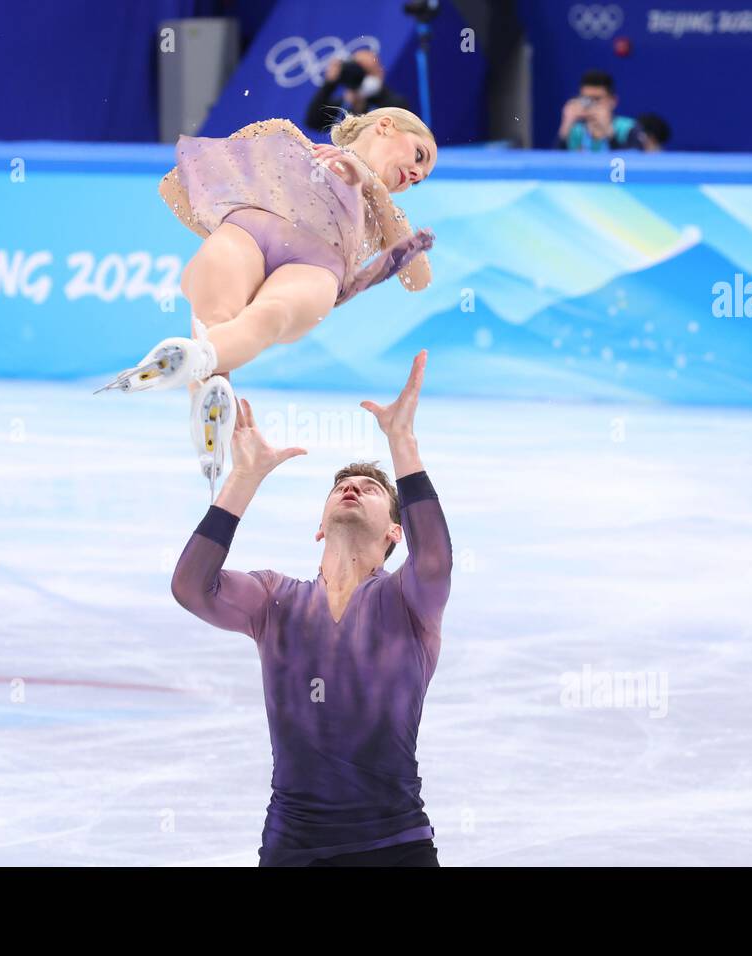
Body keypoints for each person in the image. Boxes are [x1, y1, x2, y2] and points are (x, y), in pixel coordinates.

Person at [170, 351, 451, 867]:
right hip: (293, 849)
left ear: (396, 532)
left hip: (396, 845)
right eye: (342, 487)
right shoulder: (275, 600)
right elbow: (191, 587)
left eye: (369, 490)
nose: (351, 489)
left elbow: (434, 559)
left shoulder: (408, 599)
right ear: (320, 526)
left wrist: (403, 444)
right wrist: (244, 479)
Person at [100, 108, 436, 491]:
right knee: (216, 301)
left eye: (420, 180)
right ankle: (205, 399)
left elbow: (417, 278)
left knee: (268, 313)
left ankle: (196, 362)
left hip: (313, 268)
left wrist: (372, 187)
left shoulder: (383, 214)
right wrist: (224, 225)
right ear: (386, 125)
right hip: (247, 232)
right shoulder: (285, 137)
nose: (415, 175)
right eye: (419, 156)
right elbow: (176, 187)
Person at [305, 49, 410, 134]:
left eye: (367, 72)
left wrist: (361, 107)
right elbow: (313, 122)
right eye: (359, 73)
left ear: (380, 73)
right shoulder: (343, 104)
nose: (361, 78)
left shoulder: (394, 104)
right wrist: (330, 84)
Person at [556, 69, 636, 151]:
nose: (591, 105)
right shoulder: (574, 131)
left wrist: (609, 132)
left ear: (613, 101)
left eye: (597, 99)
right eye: (586, 99)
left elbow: (629, 162)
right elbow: (554, 161)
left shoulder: (629, 128)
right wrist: (565, 127)